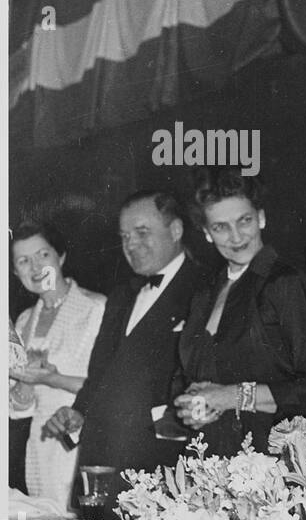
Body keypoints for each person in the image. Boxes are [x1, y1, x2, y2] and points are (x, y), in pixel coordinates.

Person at [44, 191, 209, 502]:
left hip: (159, 474)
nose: (130, 245)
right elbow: (99, 377)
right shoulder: (121, 295)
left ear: (175, 230)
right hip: (98, 467)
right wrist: (78, 414)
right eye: (124, 236)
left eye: (142, 233)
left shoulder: (207, 289)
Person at [173, 171, 306, 455]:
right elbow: (187, 379)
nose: (235, 236)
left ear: (261, 217)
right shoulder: (204, 292)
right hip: (210, 456)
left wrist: (228, 397)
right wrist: (191, 407)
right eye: (220, 227)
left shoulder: (284, 281)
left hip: (270, 459)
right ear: (207, 233)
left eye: (244, 220)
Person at [10, 221, 106, 506]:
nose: (36, 267)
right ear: (16, 272)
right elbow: (18, 407)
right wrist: (24, 386)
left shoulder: (95, 308)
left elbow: (106, 386)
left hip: (80, 438)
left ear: (61, 256)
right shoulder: (25, 320)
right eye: (23, 261)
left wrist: (50, 378)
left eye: (43, 255)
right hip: (40, 445)